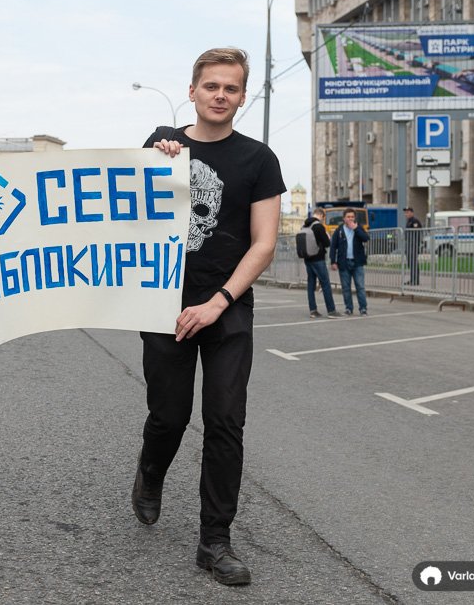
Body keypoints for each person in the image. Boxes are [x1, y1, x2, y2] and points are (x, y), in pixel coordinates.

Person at [131, 48, 284, 588]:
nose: (221, 95)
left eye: (231, 88)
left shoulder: (259, 159)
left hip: (227, 306)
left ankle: (215, 541)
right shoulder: (160, 143)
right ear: (192, 91)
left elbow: (264, 243)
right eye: (212, 86)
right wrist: (155, 161)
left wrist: (219, 300)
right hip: (164, 303)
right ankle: (151, 472)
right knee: (169, 416)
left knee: (225, 421)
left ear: (242, 97)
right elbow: (121, 213)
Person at [330, 208, 370, 316]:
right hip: (344, 263)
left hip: (357, 263)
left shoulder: (358, 227)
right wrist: (333, 261)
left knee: (360, 286)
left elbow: (366, 238)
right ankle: (348, 308)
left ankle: (363, 308)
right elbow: (333, 246)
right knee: (346, 288)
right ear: (344, 218)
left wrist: (356, 228)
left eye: (352, 217)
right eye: (348, 217)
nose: (350, 219)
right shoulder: (339, 230)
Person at [302, 208, 338, 319]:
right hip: (318, 259)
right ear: (321, 215)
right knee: (325, 284)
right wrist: (328, 236)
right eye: (323, 217)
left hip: (307, 259)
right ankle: (331, 311)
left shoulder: (304, 226)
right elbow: (327, 243)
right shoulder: (318, 226)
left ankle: (313, 310)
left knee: (311, 285)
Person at [403, 206, 422, 285]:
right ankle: (412, 279)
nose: (406, 214)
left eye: (407, 212)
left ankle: (415, 280)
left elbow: (416, 233)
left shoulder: (415, 221)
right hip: (409, 244)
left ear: (412, 213)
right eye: (405, 212)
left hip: (414, 245)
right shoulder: (408, 221)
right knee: (410, 263)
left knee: (414, 263)